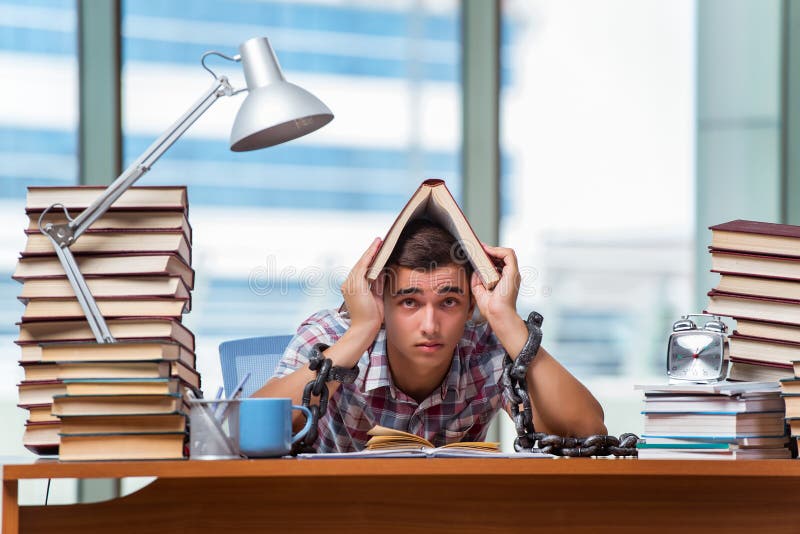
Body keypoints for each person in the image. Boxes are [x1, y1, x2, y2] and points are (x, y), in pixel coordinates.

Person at [254, 219, 606, 453]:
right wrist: (360, 331)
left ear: (471, 306)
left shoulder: (488, 349)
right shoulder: (331, 335)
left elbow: (587, 430)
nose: (430, 324)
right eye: (409, 301)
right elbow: (246, 429)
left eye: (449, 302)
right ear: (381, 301)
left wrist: (505, 318)